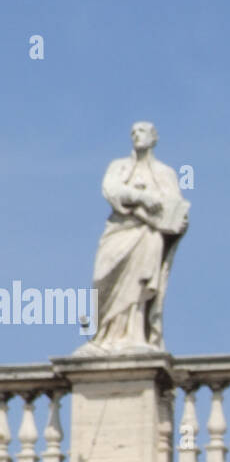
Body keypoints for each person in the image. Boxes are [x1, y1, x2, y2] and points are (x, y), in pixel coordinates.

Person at [83, 122, 190, 351]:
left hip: (148, 235)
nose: (136, 135)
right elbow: (111, 190)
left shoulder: (166, 173)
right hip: (118, 231)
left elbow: (173, 208)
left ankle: (135, 335)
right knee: (103, 277)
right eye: (133, 132)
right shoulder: (118, 166)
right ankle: (104, 336)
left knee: (140, 283)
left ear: (153, 138)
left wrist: (178, 223)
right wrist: (142, 197)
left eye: (141, 131)